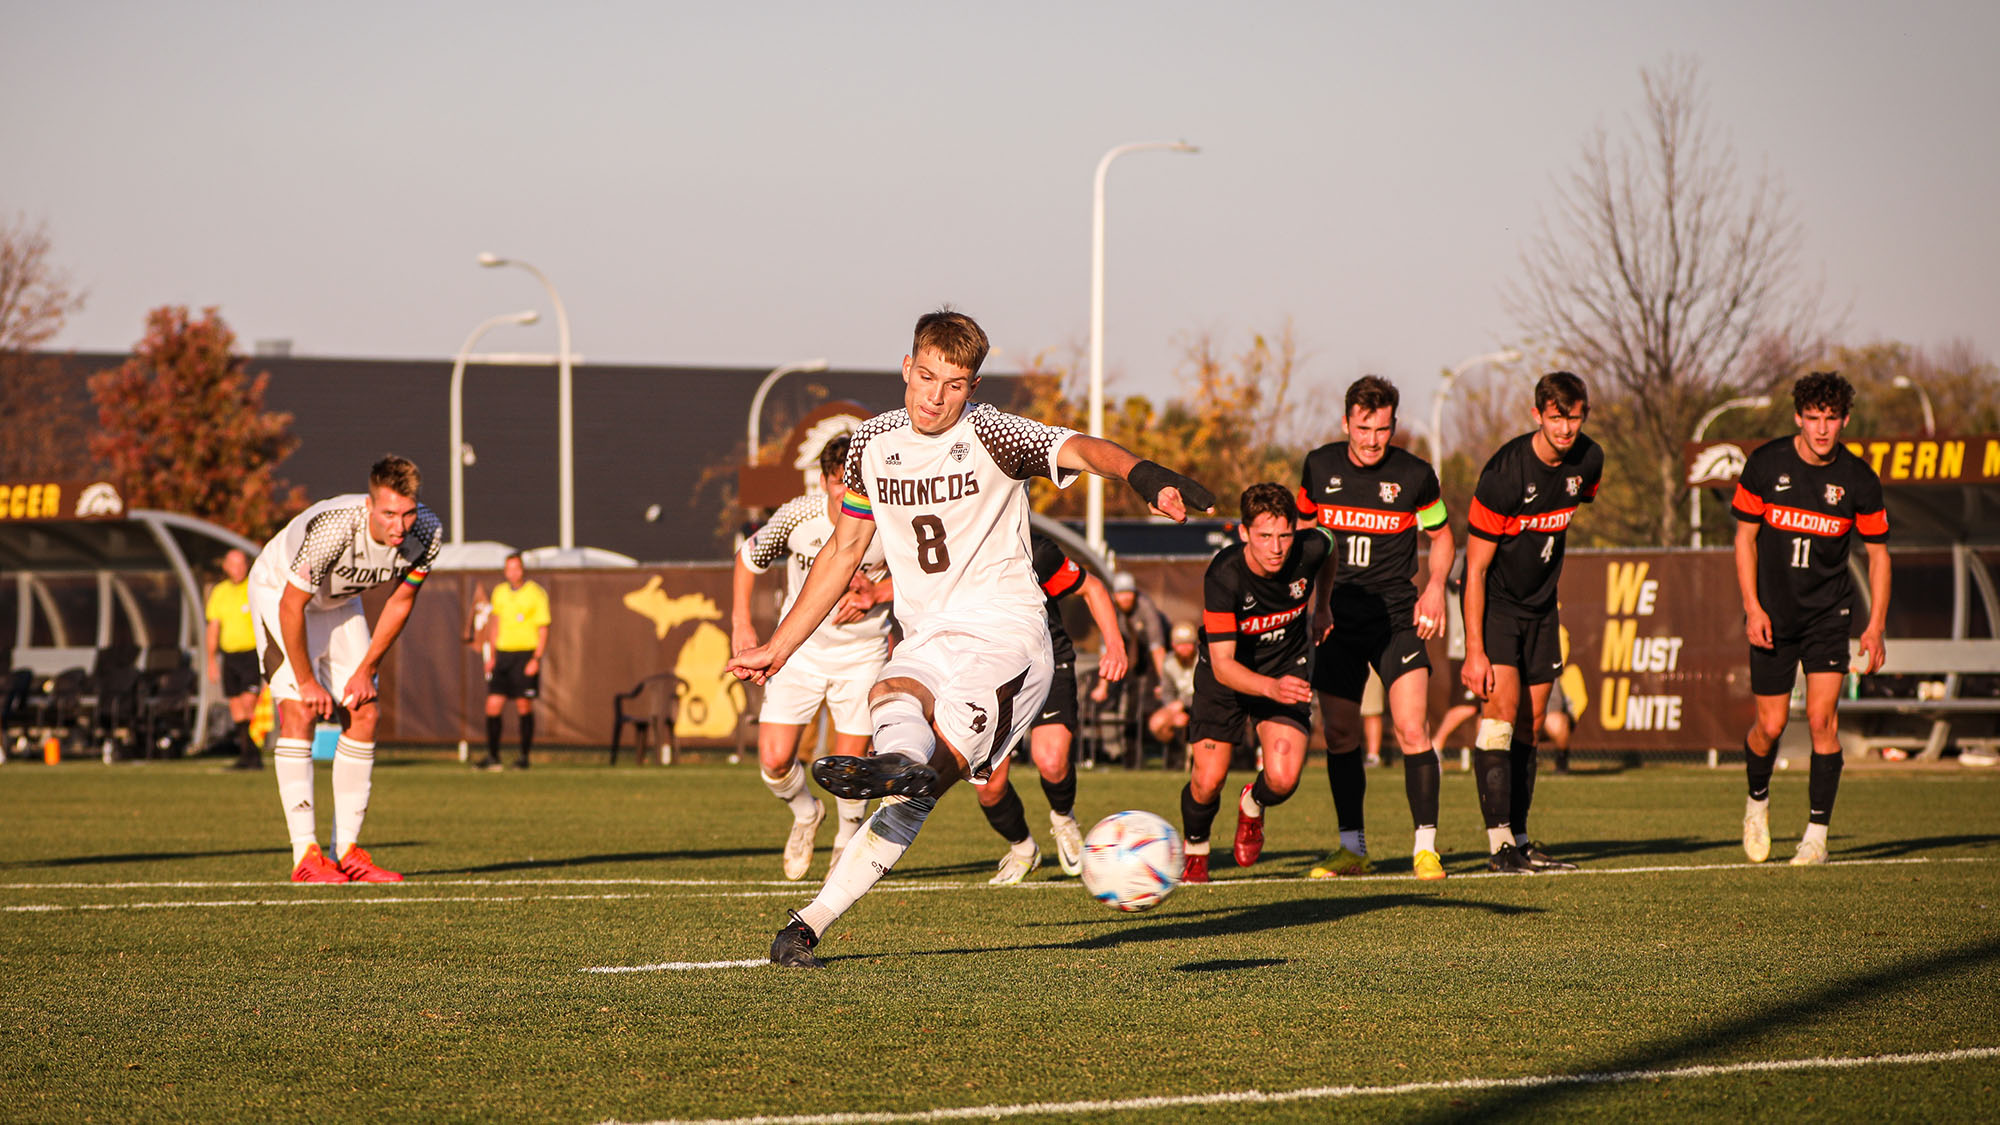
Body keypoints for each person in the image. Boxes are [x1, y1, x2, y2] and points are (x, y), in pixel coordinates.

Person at [728, 309, 1211, 968]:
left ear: (973, 387)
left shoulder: (993, 432)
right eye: (925, 376)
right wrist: (777, 647)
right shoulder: (871, 443)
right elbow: (844, 552)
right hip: (928, 634)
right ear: (907, 367)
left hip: (1008, 638)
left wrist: (1146, 475)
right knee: (891, 691)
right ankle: (807, 922)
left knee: (921, 782)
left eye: (953, 384)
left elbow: (1082, 448)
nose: (934, 395)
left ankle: (891, 780)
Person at [249, 455, 441, 883]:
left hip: (337, 603)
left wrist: (366, 668)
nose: (400, 526)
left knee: (364, 709)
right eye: (389, 513)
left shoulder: (427, 531)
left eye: (407, 512)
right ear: (370, 505)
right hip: (280, 592)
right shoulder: (335, 528)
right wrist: (305, 681)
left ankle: (348, 851)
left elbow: (401, 600)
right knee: (299, 710)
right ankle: (306, 856)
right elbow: (291, 605)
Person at [1297, 375, 1454, 881]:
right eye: (1363, 428)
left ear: (1394, 426)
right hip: (1337, 615)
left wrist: (1434, 586)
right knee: (1341, 735)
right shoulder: (1319, 467)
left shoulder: (1415, 474)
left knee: (1411, 728)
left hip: (1396, 615)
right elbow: (1302, 536)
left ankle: (1425, 849)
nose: (1371, 440)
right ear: (1346, 423)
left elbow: (1444, 536)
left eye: (1382, 429)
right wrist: (1313, 602)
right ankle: (1352, 849)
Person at [1732, 371, 1890, 866]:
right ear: (1799, 418)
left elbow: (1879, 556)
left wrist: (1876, 624)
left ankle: (1815, 837)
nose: (1822, 429)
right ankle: (1757, 803)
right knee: (1771, 725)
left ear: (1845, 420)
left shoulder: (1859, 479)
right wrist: (1752, 607)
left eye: (1832, 419)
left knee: (1822, 720)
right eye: (1813, 418)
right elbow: (1743, 540)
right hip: (1773, 617)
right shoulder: (1766, 464)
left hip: (1828, 614)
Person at [731, 433, 895, 880]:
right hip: (799, 652)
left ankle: (846, 838)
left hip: (862, 654)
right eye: (842, 481)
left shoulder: (891, 516)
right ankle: (806, 815)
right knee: (774, 759)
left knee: (850, 769)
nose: (850, 491)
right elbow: (749, 558)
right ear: (824, 481)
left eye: (858, 481)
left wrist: (876, 593)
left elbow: (931, 573)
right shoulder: (798, 514)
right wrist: (742, 623)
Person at [1461, 372, 1602, 874]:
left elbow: (1566, 512)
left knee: (1534, 722)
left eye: (1574, 416)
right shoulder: (1504, 472)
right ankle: (1498, 844)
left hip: (1544, 608)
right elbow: (1474, 569)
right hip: (1497, 607)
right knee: (1501, 712)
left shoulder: (1589, 461)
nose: (1565, 428)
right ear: (1537, 414)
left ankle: (1520, 838)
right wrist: (1474, 649)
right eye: (1556, 416)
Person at [1179, 482, 1333, 884]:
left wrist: (1324, 605)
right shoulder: (1224, 576)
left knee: (1283, 779)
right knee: (1207, 780)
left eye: (1284, 535)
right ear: (1244, 532)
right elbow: (1224, 666)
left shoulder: (1309, 548)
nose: (1277, 548)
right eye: (1265, 536)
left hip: (1286, 665)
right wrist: (1271, 688)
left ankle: (1252, 804)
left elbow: (1329, 547)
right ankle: (1196, 845)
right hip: (1225, 677)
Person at [975, 533, 1127, 883]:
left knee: (1052, 761)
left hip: (1046, 660)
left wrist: (1114, 646)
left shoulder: (1035, 550)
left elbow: (1093, 589)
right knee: (989, 787)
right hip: (988, 670)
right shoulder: (958, 549)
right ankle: (1023, 848)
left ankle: (1063, 817)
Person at [480, 552, 549, 770]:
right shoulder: (499, 592)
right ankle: (493, 757)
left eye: (516, 568)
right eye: (509, 568)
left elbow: (543, 628)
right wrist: (491, 655)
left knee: (523, 704)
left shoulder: (536, 593)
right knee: (493, 704)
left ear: (523, 569)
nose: (513, 572)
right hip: (503, 655)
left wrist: (536, 658)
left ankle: (524, 757)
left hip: (525, 654)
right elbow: (495, 624)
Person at [1094, 571, 1169, 764]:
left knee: (1145, 705)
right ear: (1115, 595)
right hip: (1125, 657)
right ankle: (1126, 756)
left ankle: (1148, 755)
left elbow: (1157, 649)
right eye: (1121, 593)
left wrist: (1164, 682)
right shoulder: (1110, 609)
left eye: (1129, 592)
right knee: (1123, 706)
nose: (1126, 597)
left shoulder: (1146, 608)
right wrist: (1102, 687)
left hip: (1149, 661)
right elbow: (1106, 649)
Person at [203, 548, 263, 770]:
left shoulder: (254, 588)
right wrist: (211, 660)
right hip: (229, 656)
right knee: (236, 707)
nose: (238, 569)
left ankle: (251, 753)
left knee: (249, 703)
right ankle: (249, 755)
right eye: (233, 564)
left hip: (251, 654)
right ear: (226, 567)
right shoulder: (220, 592)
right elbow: (213, 627)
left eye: (242, 564)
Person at [1146, 621, 1199, 752]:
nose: (1185, 648)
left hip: (1203, 705)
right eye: (1180, 644)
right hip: (1179, 708)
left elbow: (1209, 690)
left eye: (1188, 644)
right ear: (1173, 645)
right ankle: (1177, 754)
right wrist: (1175, 711)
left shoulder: (1203, 660)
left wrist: (1184, 703)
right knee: (1157, 723)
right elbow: (1167, 691)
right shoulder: (1169, 662)